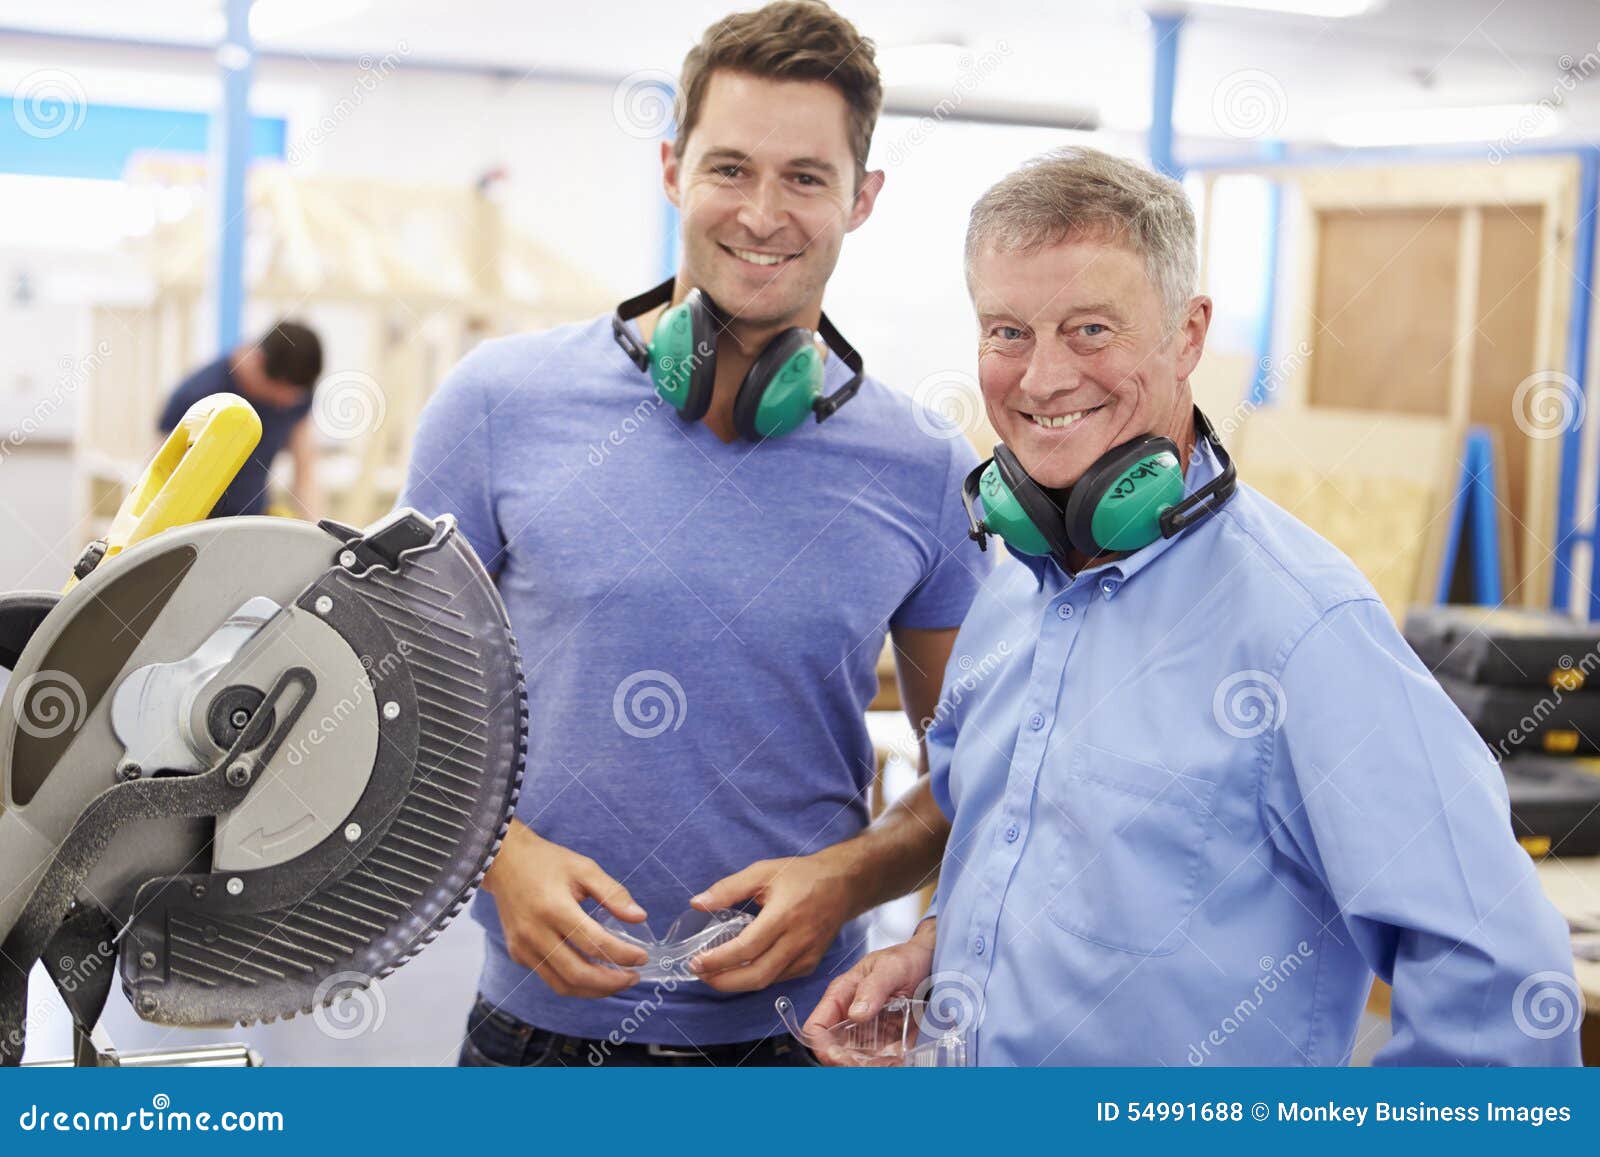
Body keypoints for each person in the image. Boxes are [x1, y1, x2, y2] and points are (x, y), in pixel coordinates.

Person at [807, 147, 1583, 1066]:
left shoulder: (1304, 628)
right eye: (1007, 331)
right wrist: (939, 952)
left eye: (1091, 329)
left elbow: (1504, 990)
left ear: (1188, 333)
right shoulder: (1013, 583)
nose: (1043, 377)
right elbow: (1020, 847)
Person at [400, 1, 987, 1067]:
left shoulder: (927, 467)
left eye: (806, 177)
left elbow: (974, 767)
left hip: (798, 1040)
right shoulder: (494, 406)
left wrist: (850, 876)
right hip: (532, 1043)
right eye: (730, 168)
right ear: (672, 169)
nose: (762, 212)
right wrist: (498, 851)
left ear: (863, 196)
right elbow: (399, 700)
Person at [156, 319, 324, 519]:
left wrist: (319, 531)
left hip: (251, 523)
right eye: (281, 393)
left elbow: (305, 469)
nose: (287, 403)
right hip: (195, 528)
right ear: (258, 362)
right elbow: (159, 478)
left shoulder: (295, 396)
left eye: (295, 396)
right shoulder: (197, 395)